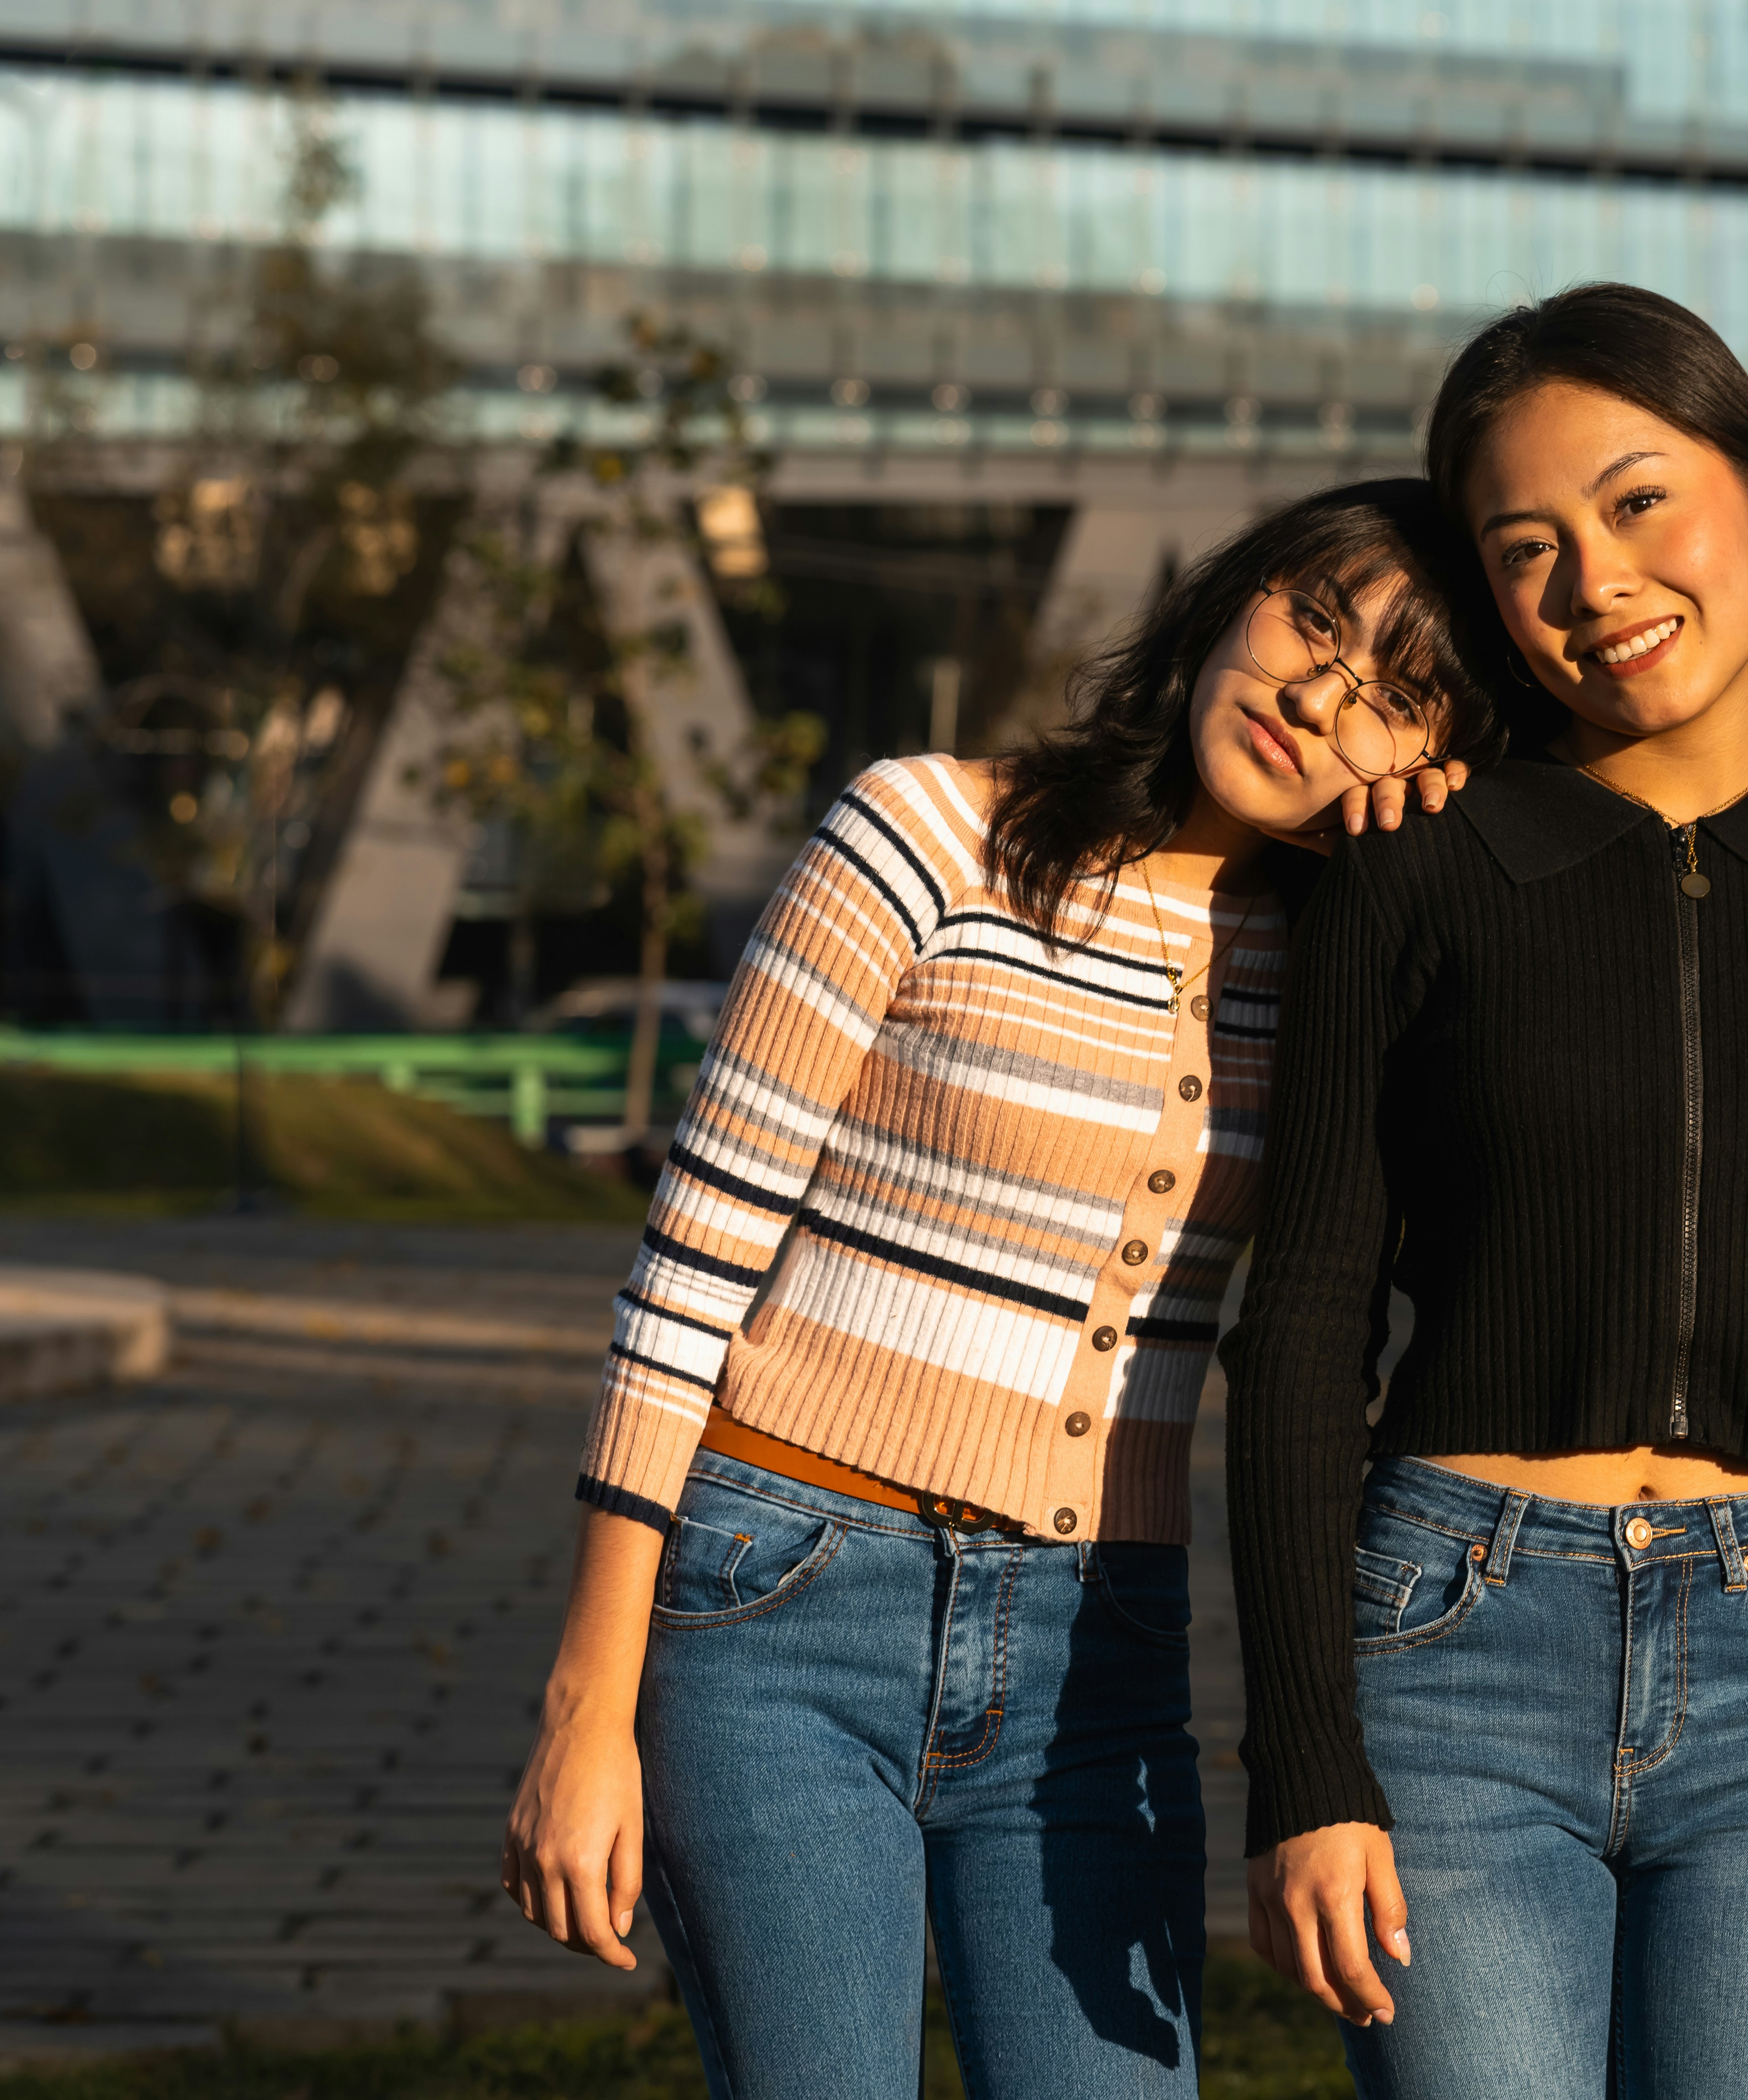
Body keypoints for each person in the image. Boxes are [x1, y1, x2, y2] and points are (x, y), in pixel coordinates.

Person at [500, 479, 1499, 2100]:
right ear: (1232, 596)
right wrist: (583, 1707)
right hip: (782, 1602)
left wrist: (1452, 860)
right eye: (1314, 620)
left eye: (1397, 696)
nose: (1319, 699)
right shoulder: (930, 829)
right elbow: (690, 1261)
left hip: (1098, 1653)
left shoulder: (1348, 972)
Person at [1224, 285, 1748, 2096]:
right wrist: (1306, 1763)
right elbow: (1299, 1330)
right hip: (1453, 1644)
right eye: (1529, 548)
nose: (1594, 579)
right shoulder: (1411, 869)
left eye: (1637, 499)